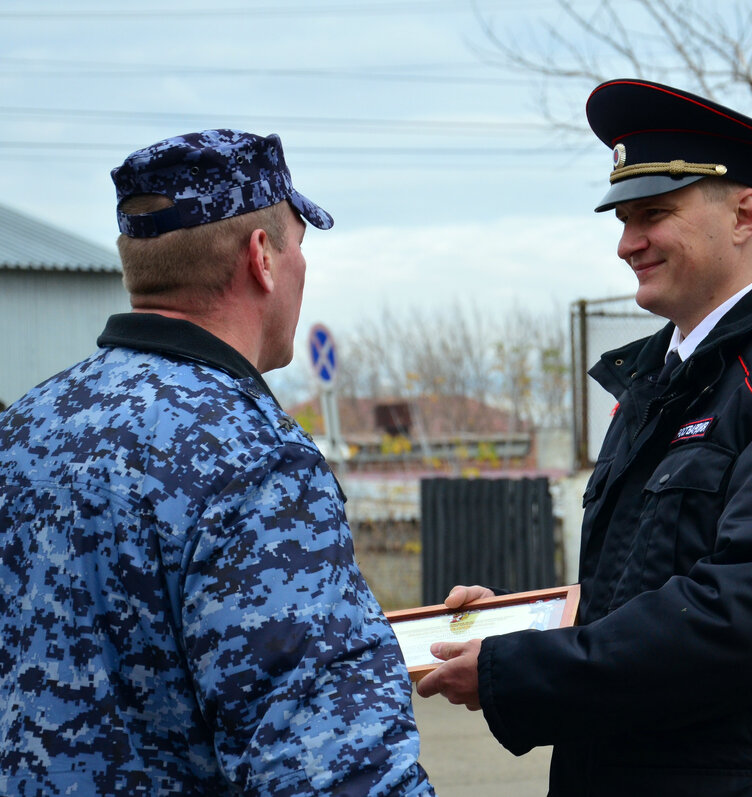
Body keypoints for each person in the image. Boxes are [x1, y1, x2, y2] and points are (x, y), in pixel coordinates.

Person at [417, 78, 752, 796]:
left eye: (654, 214)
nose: (629, 243)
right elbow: (643, 594)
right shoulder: (668, 377)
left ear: (745, 215)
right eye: (623, 219)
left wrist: (525, 670)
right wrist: (524, 627)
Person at [0, 130, 434, 795]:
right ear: (262, 256)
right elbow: (334, 769)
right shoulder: (253, 460)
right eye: (299, 247)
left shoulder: (24, 428)